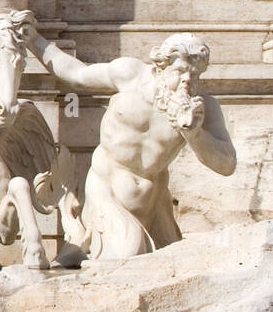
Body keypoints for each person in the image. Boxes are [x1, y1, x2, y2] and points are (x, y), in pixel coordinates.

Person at [24, 24, 235, 261]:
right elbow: (76, 74)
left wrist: (194, 135)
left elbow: (226, 165)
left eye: (195, 74)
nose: (188, 80)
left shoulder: (203, 108)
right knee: (127, 257)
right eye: (180, 71)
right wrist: (34, 39)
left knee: (165, 266)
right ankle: (83, 243)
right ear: (161, 67)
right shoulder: (130, 74)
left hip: (155, 202)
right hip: (108, 190)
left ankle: (78, 250)